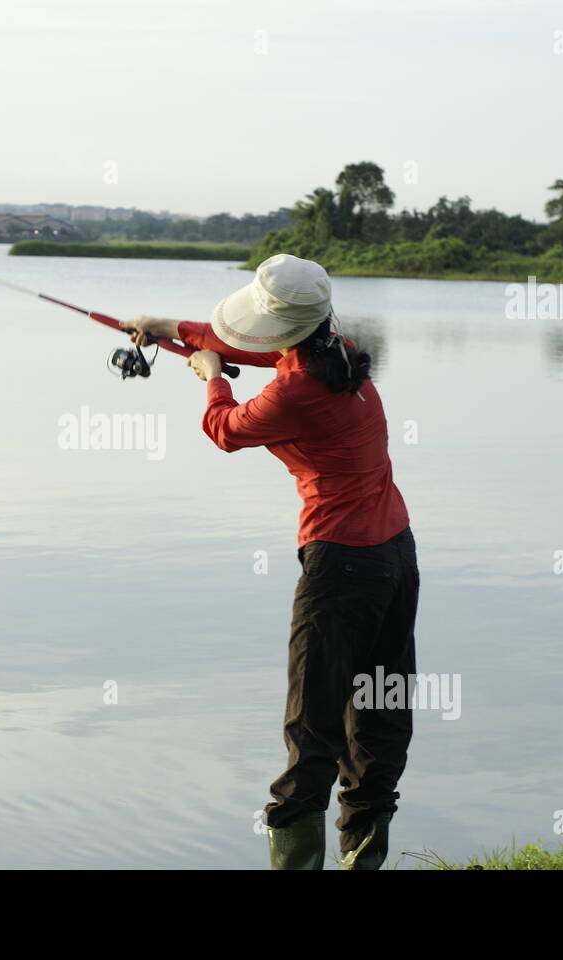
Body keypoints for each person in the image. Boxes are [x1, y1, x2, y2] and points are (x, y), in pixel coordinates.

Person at [122, 254, 419, 870]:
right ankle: (364, 856)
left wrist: (210, 375)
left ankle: (297, 859)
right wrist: (168, 328)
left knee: (312, 721)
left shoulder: (294, 392)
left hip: (340, 564)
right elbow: (265, 352)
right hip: (395, 554)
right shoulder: (342, 354)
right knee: (380, 704)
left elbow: (225, 429)